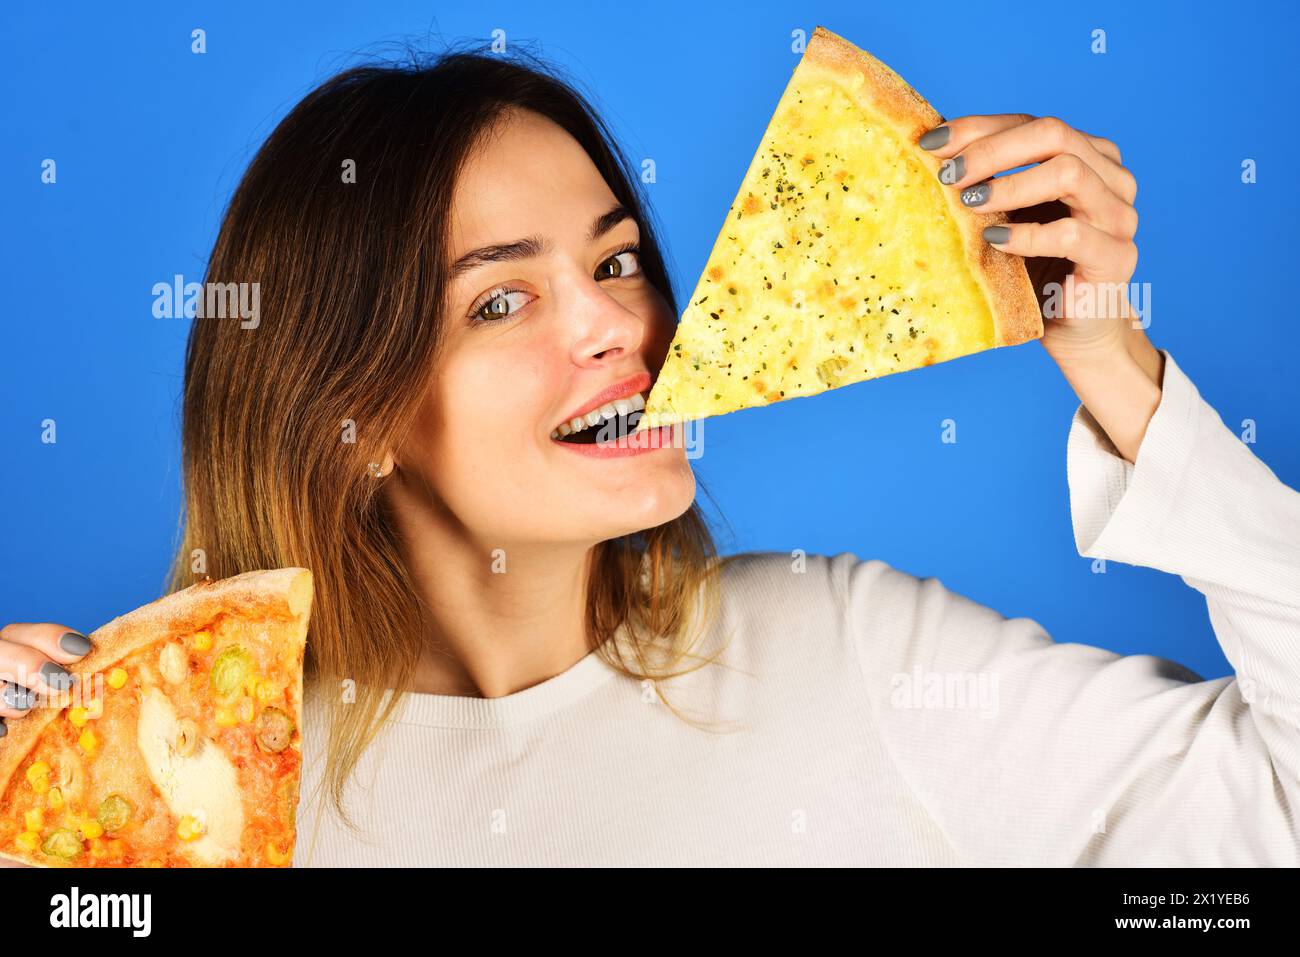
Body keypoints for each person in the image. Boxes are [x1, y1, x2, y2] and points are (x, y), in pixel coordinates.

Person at [2, 47, 1297, 867]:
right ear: (352, 423)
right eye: (501, 301)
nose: (621, 320)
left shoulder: (845, 651)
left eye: (617, 259)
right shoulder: (176, 780)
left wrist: (1112, 362)